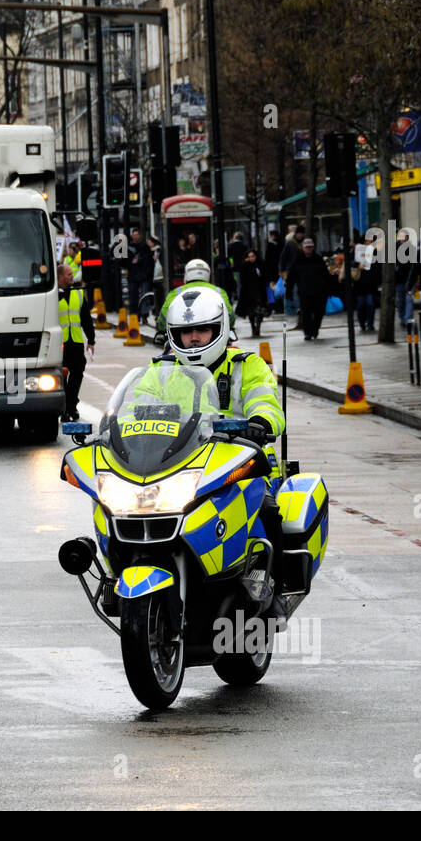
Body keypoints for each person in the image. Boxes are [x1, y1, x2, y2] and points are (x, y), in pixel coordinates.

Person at [135, 286, 289, 620]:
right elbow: (134, 406)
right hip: (179, 465)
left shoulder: (247, 366)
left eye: (202, 329)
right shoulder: (159, 370)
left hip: (241, 465)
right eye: (185, 332)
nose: (193, 339)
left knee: (267, 511)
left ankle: (272, 587)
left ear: (219, 329)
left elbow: (267, 404)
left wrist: (259, 422)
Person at [157, 258, 234, 343]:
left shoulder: (176, 292)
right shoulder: (219, 291)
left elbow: (164, 315)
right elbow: (229, 314)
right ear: (208, 274)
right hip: (213, 336)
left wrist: (162, 328)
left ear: (187, 274)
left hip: (183, 337)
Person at [58, 263, 95, 422]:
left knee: (77, 373)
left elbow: (86, 318)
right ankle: (65, 408)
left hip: (76, 342)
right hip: (59, 343)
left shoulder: (78, 294)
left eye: (72, 274)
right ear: (60, 277)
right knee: (61, 377)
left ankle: (71, 405)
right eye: (69, 275)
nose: (72, 277)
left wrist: (91, 339)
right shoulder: (52, 295)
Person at [293, 237, 329, 340]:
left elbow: (325, 275)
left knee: (318, 313)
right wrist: (290, 291)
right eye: (306, 247)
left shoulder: (318, 259)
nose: (308, 249)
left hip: (319, 292)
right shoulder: (298, 260)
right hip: (304, 292)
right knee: (306, 313)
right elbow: (292, 275)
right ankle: (307, 332)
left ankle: (315, 329)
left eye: (310, 247)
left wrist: (328, 289)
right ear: (303, 248)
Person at [237, 247, 269, 337]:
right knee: (251, 313)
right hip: (248, 293)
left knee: (259, 312)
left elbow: (265, 277)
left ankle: (258, 327)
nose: (251, 258)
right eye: (249, 256)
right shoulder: (245, 266)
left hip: (259, 292)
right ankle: (253, 328)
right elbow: (242, 279)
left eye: (253, 256)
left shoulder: (260, 265)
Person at [353, 232, 380, 332]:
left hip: (370, 283)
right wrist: (357, 266)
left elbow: (377, 267)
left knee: (370, 304)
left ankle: (369, 323)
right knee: (361, 305)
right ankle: (362, 322)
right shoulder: (357, 251)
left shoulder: (376, 252)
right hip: (360, 283)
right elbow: (352, 263)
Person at [128, 225, 155, 323]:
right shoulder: (129, 247)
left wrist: (139, 261)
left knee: (144, 296)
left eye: (136, 235)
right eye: (133, 235)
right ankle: (135, 315)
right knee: (134, 297)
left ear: (139, 235)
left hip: (143, 276)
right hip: (134, 276)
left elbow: (148, 262)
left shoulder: (144, 247)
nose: (135, 237)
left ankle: (144, 315)